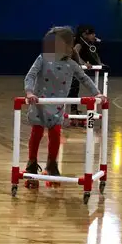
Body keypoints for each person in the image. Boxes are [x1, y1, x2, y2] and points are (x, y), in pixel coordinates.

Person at [23, 27, 100, 183]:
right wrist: (30, 93)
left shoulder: (71, 64)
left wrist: (97, 93)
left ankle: (52, 166)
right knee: (36, 133)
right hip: (39, 104)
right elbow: (30, 76)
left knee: (55, 135)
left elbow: (84, 79)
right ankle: (31, 164)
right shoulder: (42, 59)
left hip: (57, 106)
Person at [68, 25, 101, 117]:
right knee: (73, 89)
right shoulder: (79, 42)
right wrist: (83, 63)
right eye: (92, 34)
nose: (94, 36)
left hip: (73, 68)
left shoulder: (86, 42)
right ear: (85, 34)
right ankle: (72, 111)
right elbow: (75, 51)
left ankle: (73, 110)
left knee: (75, 89)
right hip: (71, 68)